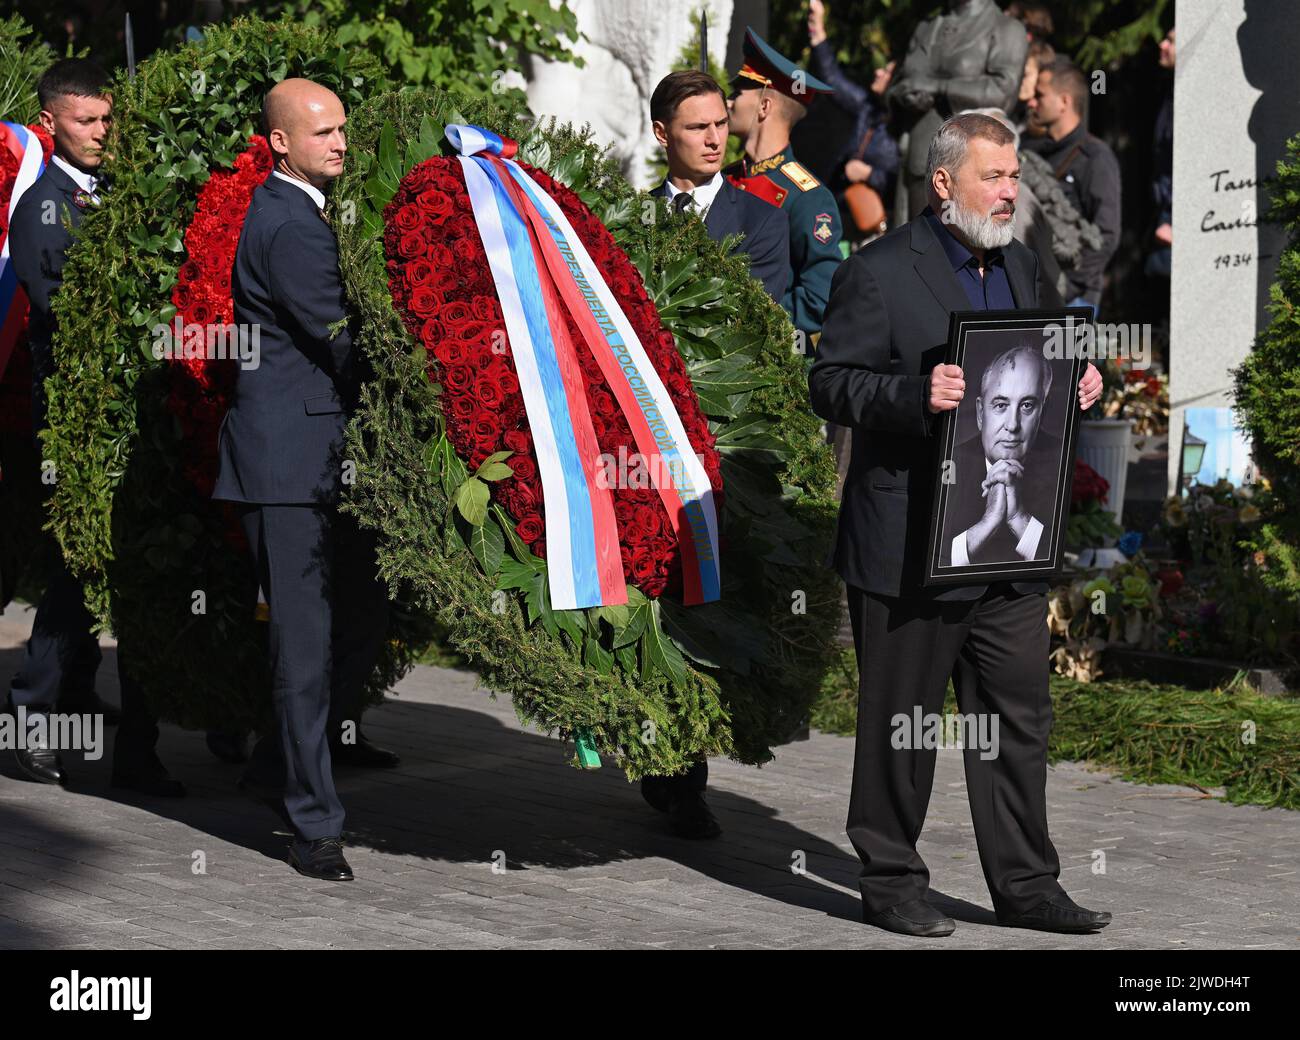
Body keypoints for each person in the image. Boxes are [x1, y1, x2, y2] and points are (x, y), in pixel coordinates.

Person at [808, 113, 1108, 937]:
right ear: (944, 185)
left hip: (1006, 542)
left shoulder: (1020, 260)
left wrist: (1084, 379)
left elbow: (1051, 347)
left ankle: (1027, 886)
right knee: (903, 723)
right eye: (996, 177)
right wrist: (913, 396)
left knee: (1018, 716)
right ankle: (892, 879)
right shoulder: (878, 273)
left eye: (1015, 175)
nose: (1012, 191)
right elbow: (830, 382)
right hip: (910, 543)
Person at [213, 78, 390, 882]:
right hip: (289, 465)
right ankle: (314, 826)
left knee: (349, 625)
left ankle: (270, 774)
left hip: (309, 461)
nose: (340, 143)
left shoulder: (302, 212)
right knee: (305, 647)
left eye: (343, 130)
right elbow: (341, 344)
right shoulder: (290, 227)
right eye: (322, 133)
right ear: (280, 142)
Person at [7, 59, 183, 797]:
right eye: (87, 121)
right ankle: (28, 721)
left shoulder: (119, 194)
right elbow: (61, 313)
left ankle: (94, 714)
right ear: (51, 123)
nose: (103, 133)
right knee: (74, 573)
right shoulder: (44, 206)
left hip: (127, 411)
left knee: (105, 573)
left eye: (108, 119)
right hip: (72, 416)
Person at [724, 27, 843, 345]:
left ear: (764, 107)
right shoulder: (724, 178)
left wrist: (753, 321)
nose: (728, 101)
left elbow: (821, 295)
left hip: (765, 362)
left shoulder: (807, 196)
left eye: (737, 93)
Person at [649, 70, 790, 303]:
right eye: (698, 127)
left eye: (722, 123)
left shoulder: (762, 223)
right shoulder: (637, 214)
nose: (714, 139)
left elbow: (749, 323)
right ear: (662, 134)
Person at [887, 0, 1027, 224]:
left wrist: (938, 87)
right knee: (918, 249)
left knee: (966, 251)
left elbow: (1003, 92)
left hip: (978, 162)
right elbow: (903, 81)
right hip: (922, 158)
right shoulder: (927, 27)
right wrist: (907, 94)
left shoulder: (1005, 29)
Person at [939, 345, 1062, 566]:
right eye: (1001, 405)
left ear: (1042, 412)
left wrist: (1019, 519)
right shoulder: (949, 462)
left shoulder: (1062, 460)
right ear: (980, 413)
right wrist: (987, 524)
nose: (1012, 425)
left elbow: (1065, 559)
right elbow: (929, 561)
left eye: (1027, 405)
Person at [1024, 57, 1121, 315]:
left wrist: (1067, 286)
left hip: (1074, 300)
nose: (1032, 102)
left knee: (1068, 358)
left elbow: (1107, 235)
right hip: (1034, 293)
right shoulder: (1032, 152)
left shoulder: (1096, 158)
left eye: (1040, 95)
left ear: (1065, 101)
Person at [806, 0, 900, 248]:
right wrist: (817, 29)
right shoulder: (868, 109)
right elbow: (832, 79)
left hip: (881, 230)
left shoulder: (905, 131)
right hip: (844, 212)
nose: (879, 72)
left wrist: (869, 174)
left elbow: (903, 181)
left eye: (887, 72)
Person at [1146, 26, 1174, 280]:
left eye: (1171, 41)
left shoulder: (1190, 98)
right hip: (1164, 211)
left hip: (1176, 217)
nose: (1162, 44)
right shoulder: (1171, 92)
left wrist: (1177, 222)